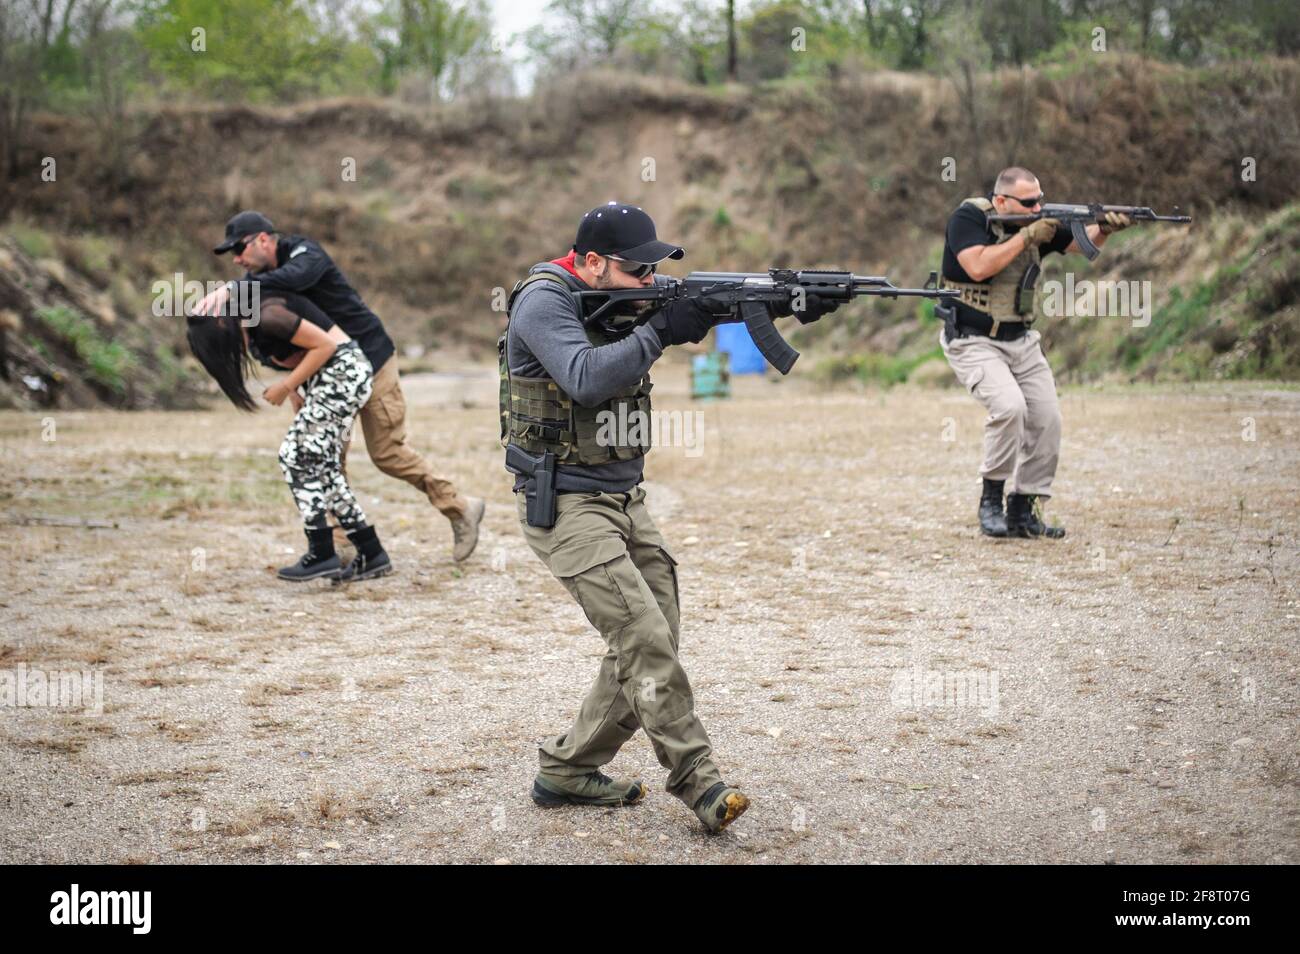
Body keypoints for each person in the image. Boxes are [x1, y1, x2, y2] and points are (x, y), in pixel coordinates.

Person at [501, 202, 839, 833]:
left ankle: (569, 768)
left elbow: (705, 305)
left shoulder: (625, 291)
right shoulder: (543, 301)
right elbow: (583, 376)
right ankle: (699, 782)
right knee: (643, 639)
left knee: (654, 636)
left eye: (656, 273)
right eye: (638, 272)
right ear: (592, 263)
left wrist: (789, 303)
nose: (650, 285)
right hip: (565, 502)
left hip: (625, 499)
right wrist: (662, 329)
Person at [194, 211, 485, 561]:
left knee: (387, 453)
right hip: (327, 375)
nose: (237, 260)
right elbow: (269, 345)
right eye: (232, 257)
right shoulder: (254, 284)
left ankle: (460, 507)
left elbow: (295, 278)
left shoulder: (304, 254)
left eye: (239, 249)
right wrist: (296, 388)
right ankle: (343, 545)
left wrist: (233, 288)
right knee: (326, 457)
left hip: (373, 362)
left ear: (264, 239)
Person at [939, 167, 1131, 538]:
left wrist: (1105, 227)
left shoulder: (1038, 222)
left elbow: (1081, 245)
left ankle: (1024, 508)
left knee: (1047, 418)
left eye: (1040, 200)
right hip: (972, 337)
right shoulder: (970, 218)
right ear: (1001, 201)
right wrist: (1026, 236)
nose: (1037, 207)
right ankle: (991, 500)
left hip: (1021, 339)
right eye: (1028, 203)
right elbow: (978, 266)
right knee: (1010, 407)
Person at [186, 290, 391, 582]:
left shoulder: (267, 315)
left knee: (295, 455)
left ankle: (322, 552)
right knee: (324, 467)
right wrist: (298, 388)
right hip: (333, 376)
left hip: (344, 372)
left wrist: (287, 386)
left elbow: (326, 346)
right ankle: (371, 553)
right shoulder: (251, 319)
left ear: (222, 322)